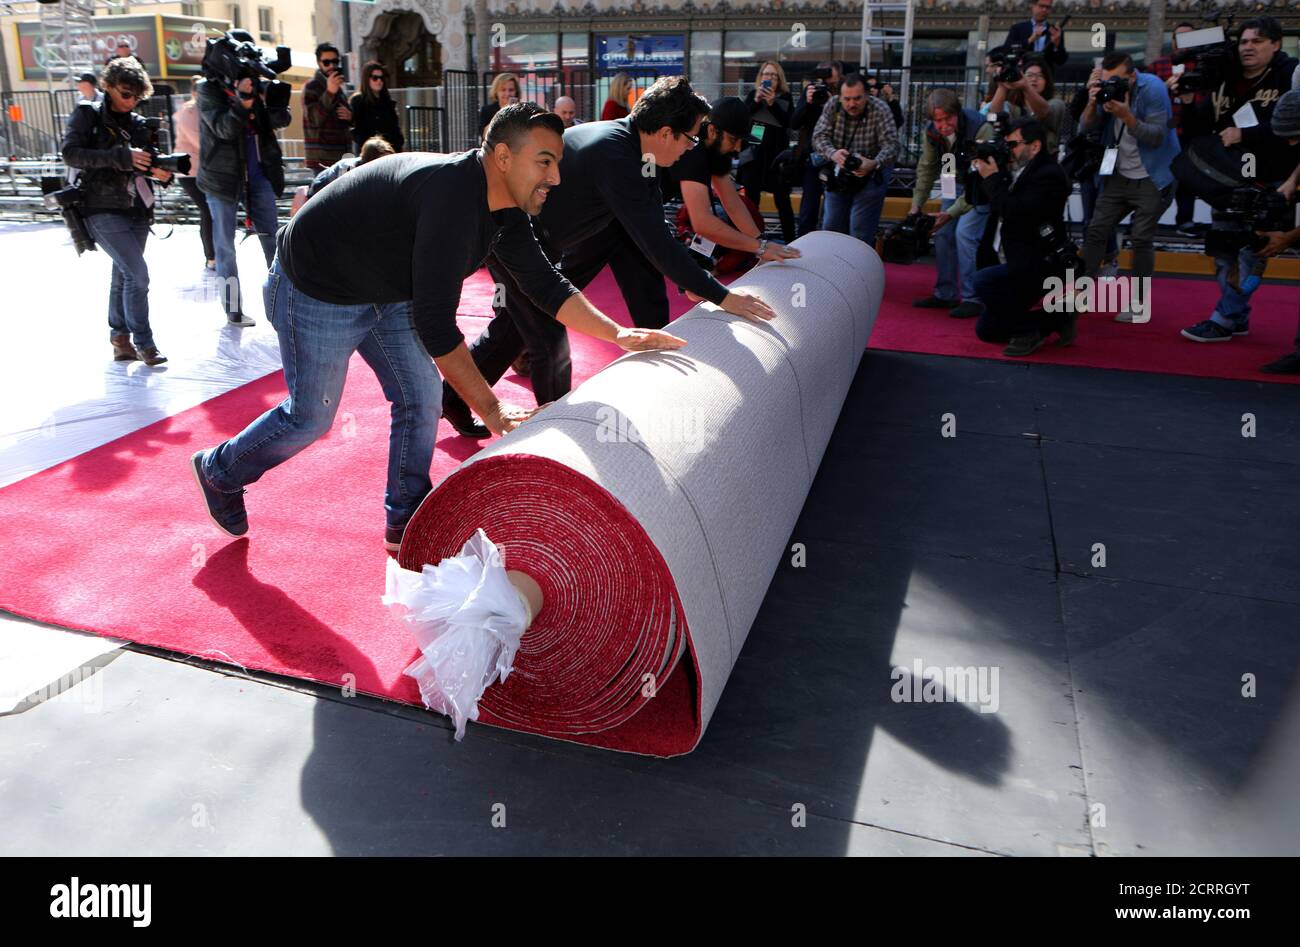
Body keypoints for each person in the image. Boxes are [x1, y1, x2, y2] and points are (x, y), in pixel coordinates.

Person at [190, 103, 686, 551]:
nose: (556, 177)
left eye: (557, 161)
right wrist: (491, 409)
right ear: (504, 158)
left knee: (421, 396)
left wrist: (619, 335)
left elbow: (546, 285)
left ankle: (405, 517)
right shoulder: (452, 198)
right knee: (310, 418)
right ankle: (220, 471)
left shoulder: (507, 210)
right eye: (545, 162)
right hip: (317, 288)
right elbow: (436, 324)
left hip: (387, 289)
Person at [440, 77, 779, 437]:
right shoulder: (616, 154)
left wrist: (694, 279)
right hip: (509, 237)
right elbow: (655, 240)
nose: (691, 147)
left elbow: (654, 234)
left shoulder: (638, 153)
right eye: (691, 137)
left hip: (543, 241)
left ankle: (454, 397)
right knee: (548, 338)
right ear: (666, 133)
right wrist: (723, 296)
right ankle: (554, 444)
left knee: (515, 328)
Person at [1175, 17, 1300, 343]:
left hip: (1272, 179)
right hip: (1228, 182)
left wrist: (1246, 132)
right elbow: (1197, 130)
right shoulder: (1223, 76)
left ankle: (1224, 318)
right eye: (1244, 41)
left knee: (1249, 252)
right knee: (1222, 251)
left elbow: (1292, 129)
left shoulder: (1290, 76)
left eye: (1257, 41)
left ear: (1276, 44)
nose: (1248, 47)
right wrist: (1188, 101)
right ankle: (1237, 316)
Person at [62, 58, 173, 365]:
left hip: (137, 209)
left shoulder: (138, 123)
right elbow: (70, 154)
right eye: (126, 94)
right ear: (107, 86)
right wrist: (121, 156)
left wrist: (161, 171)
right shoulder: (88, 114)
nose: (131, 101)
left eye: (138, 96)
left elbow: (148, 162)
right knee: (138, 275)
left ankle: (119, 339)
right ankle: (145, 343)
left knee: (124, 275)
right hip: (99, 206)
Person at [1077, 53, 1181, 322]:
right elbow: (1084, 128)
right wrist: (1091, 102)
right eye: (1108, 80)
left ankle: (1138, 302)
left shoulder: (1153, 88)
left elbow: (1157, 136)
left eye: (1118, 81)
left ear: (1132, 77)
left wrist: (1126, 115)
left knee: (1141, 237)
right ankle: (1081, 291)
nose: (1113, 86)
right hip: (1118, 173)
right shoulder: (1105, 89)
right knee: (1096, 228)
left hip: (1153, 174)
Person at [969, 118, 1075, 356]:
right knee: (987, 331)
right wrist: (983, 171)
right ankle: (1054, 319)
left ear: (1035, 146)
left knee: (983, 281)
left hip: (1036, 264)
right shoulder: (1014, 168)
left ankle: (1035, 327)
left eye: (1013, 144)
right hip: (1011, 258)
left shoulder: (1049, 175)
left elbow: (1016, 213)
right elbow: (977, 199)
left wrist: (992, 179)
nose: (1009, 150)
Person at [197, 68, 291, 327]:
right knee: (225, 247)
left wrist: (269, 99)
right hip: (221, 179)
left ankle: (282, 304)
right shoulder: (209, 90)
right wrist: (241, 102)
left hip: (259, 175)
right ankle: (233, 309)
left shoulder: (258, 88)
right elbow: (224, 128)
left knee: (273, 240)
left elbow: (281, 119)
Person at [665, 96, 801, 265]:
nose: (737, 147)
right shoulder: (692, 149)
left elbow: (732, 202)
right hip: (631, 198)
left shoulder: (713, 149)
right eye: (733, 139)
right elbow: (701, 222)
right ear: (712, 131)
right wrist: (759, 248)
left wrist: (761, 244)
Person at [909, 89, 985, 313]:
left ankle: (973, 298)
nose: (943, 125)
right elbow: (927, 168)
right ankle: (946, 293)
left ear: (957, 113)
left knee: (965, 234)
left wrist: (951, 213)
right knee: (942, 233)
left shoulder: (979, 127)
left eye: (947, 118)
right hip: (951, 172)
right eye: (937, 120)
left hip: (981, 183)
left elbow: (980, 180)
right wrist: (916, 205)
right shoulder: (932, 133)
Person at [811, 73, 898, 246]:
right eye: (847, 99)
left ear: (867, 95)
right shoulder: (833, 105)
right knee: (831, 226)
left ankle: (859, 270)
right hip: (839, 173)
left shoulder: (880, 108)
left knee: (860, 230)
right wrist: (834, 153)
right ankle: (831, 269)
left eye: (857, 98)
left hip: (872, 173)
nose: (852, 104)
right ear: (840, 96)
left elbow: (892, 145)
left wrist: (873, 163)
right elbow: (818, 137)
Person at [1147, 22, 1202, 235]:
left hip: (1190, 129)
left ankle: (1185, 221)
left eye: (1190, 38)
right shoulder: (1159, 65)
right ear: (1172, 41)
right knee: (1156, 178)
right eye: (1180, 38)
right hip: (1165, 130)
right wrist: (1164, 88)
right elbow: (1146, 99)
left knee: (1187, 178)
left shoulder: (1201, 66)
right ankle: (1143, 220)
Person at [739, 61, 796, 242]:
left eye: (773, 75)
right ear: (760, 77)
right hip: (754, 157)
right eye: (766, 74)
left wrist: (772, 103)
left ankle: (790, 241)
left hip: (776, 158)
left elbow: (789, 124)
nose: (769, 78)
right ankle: (751, 242)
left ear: (779, 79)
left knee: (783, 202)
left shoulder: (785, 98)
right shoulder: (752, 96)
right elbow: (742, 121)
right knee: (751, 203)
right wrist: (756, 102)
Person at [792, 60, 842, 237]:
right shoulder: (810, 91)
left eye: (830, 78)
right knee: (808, 209)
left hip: (837, 157)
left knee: (834, 211)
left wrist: (832, 103)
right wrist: (807, 102)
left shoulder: (844, 96)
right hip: (813, 157)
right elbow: (794, 123)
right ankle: (804, 247)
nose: (826, 81)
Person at [984, 54, 1068, 153]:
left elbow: (1044, 113)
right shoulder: (1014, 108)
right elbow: (994, 115)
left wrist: (1026, 87)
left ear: (1047, 81)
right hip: (1015, 160)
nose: (1034, 79)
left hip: (1044, 159)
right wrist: (1002, 86)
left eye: (1040, 76)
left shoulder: (1056, 104)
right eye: (1029, 75)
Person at [172, 87, 215, 272]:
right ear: (195, 93)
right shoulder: (189, 111)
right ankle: (211, 256)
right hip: (190, 170)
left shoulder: (205, 109)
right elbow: (199, 141)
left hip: (205, 169)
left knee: (211, 211)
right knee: (207, 210)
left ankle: (213, 254)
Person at [302, 43, 352, 171]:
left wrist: (350, 116)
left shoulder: (338, 87)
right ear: (319, 63)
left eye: (335, 61)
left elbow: (344, 119)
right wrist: (329, 92)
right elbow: (314, 119)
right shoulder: (311, 87)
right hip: (322, 160)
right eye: (326, 62)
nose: (332, 66)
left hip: (343, 156)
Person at [306, 135, 395, 199]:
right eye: (382, 161)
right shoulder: (349, 169)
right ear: (371, 159)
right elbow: (346, 196)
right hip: (319, 196)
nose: (386, 166)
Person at [348, 61, 404, 152]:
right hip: (370, 153)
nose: (379, 81)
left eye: (382, 78)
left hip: (391, 151)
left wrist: (397, 143)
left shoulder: (388, 101)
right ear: (366, 79)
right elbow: (355, 129)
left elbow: (395, 128)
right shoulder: (358, 101)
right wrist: (370, 146)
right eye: (375, 78)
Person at [1004, 0, 1068, 68]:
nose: (1044, 10)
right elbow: (1007, 51)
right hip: (1022, 75)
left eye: (1048, 7)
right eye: (1041, 6)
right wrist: (1030, 39)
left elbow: (1061, 61)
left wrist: (1057, 44)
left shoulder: (1055, 31)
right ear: (1032, 6)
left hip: (1044, 76)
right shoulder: (1018, 28)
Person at [478, 73, 520, 139]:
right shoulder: (487, 110)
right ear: (496, 92)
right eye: (503, 90)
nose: (507, 94)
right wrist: (503, 111)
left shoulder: (522, 110)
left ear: (516, 92)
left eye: (511, 90)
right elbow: (485, 135)